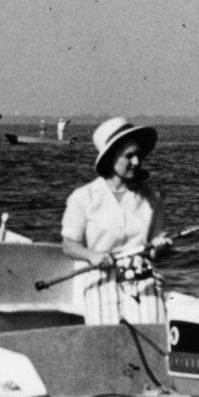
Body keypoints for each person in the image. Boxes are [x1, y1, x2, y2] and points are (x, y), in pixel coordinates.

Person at [61, 116, 167, 326]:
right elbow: (69, 245)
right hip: (99, 276)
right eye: (129, 156)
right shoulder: (83, 197)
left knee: (151, 336)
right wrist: (93, 255)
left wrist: (160, 246)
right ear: (111, 158)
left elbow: (154, 251)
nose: (136, 162)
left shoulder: (152, 197)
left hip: (139, 273)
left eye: (139, 155)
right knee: (107, 344)